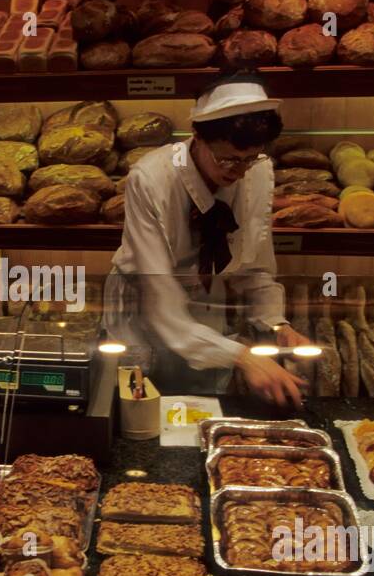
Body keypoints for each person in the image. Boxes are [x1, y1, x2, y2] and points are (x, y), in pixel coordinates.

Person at [107, 76, 309, 407]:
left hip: (207, 303)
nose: (240, 171)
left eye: (250, 159)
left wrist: (276, 323)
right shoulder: (152, 179)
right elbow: (162, 302)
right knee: (141, 411)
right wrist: (243, 356)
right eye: (227, 159)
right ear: (197, 137)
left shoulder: (256, 173)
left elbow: (255, 265)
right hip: (141, 310)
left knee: (200, 410)